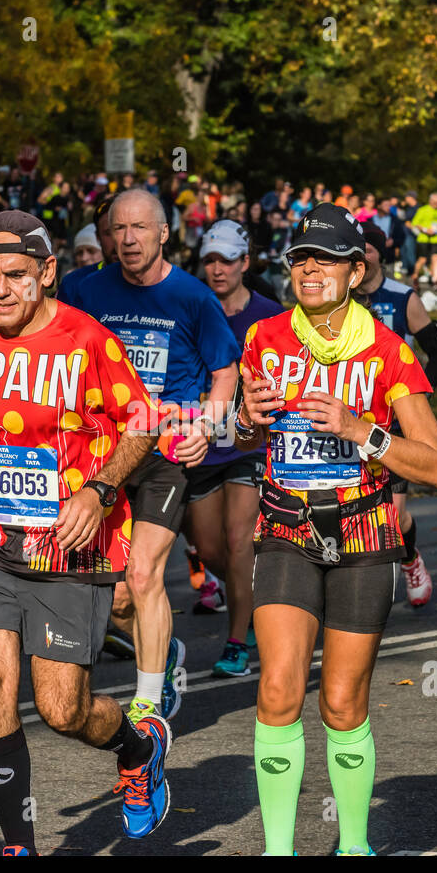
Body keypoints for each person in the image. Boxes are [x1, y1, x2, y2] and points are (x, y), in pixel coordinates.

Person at [0, 212, 170, 853]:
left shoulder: (89, 341)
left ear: (47, 272)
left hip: (69, 548)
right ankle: (18, 844)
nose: (0, 290)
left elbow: (144, 421)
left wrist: (99, 488)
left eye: (16, 276)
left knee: (62, 710)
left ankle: (139, 745)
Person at [235, 203, 437, 855]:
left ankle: (354, 846)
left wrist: (363, 429)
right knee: (276, 688)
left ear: (356, 271)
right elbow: (246, 430)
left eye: (325, 259)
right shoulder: (265, 338)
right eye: (301, 258)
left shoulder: (386, 350)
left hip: (363, 533)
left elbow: (436, 465)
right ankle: (279, 849)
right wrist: (247, 416)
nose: (309, 269)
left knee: (341, 703)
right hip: (286, 527)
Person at [77, 188, 241, 722]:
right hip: (104, 453)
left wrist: (208, 425)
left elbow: (225, 374)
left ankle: (147, 702)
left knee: (143, 576)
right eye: (119, 229)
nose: (128, 240)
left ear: (165, 233)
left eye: (141, 229)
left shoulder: (193, 298)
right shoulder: (85, 290)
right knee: (115, 593)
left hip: (164, 452)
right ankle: (164, 650)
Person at [186, 220, 283, 677]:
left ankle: (237, 640)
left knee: (238, 539)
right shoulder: (190, 305)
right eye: (210, 260)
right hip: (202, 446)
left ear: (245, 263)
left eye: (226, 260)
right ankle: (263, 598)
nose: (217, 269)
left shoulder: (268, 314)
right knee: (208, 549)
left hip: (249, 444)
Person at [356, 220, 437, 606]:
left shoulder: (402, 297)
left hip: (394, 421)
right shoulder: (339, 298)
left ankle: (409, 560)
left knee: (393, 514)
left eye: (368, 248)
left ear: (380, 254)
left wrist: (417, 402)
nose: (361, 254)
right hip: (352, 419)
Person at [410, 192, 437, 287]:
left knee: (436, 258)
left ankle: (435, 280)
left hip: (435, 238)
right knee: (423, 259)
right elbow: (414, 223)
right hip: (423, 238)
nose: (436, 204)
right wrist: (425, 230)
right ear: (430, 201)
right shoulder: (422, 210)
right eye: (434, 202)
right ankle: (415, 275)